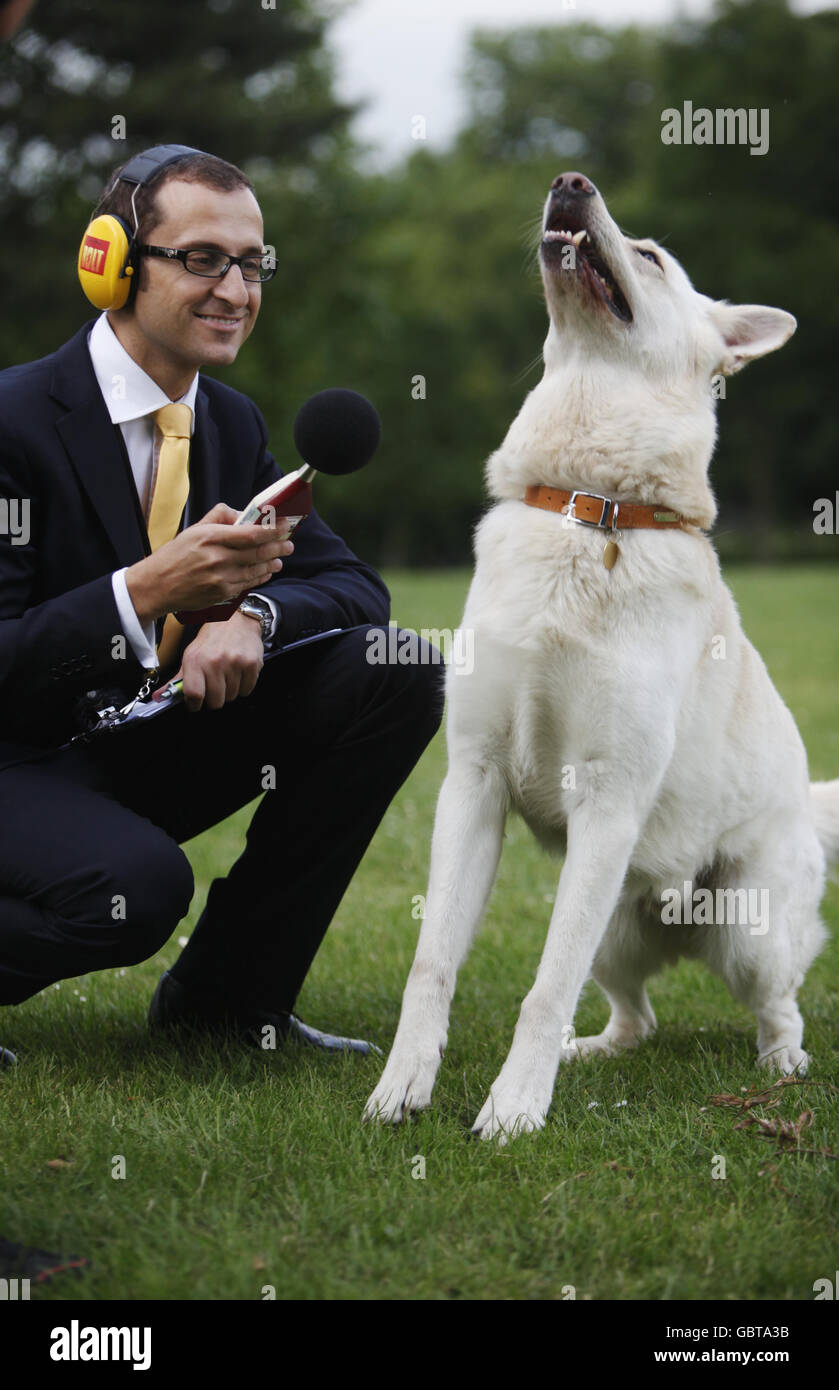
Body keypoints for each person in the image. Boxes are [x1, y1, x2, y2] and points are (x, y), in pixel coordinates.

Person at [0, 145, 443, 1059]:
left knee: (393, 669)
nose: (235, 290)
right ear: (112, 262)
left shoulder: (230, 423)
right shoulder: (10, 422)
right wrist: (149, 590)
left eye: (252, 264)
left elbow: (355, 587)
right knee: (139, 889)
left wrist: (252, 617)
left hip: (136, 741)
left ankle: (229, 1004)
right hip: (16, 760)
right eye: (201, 258)